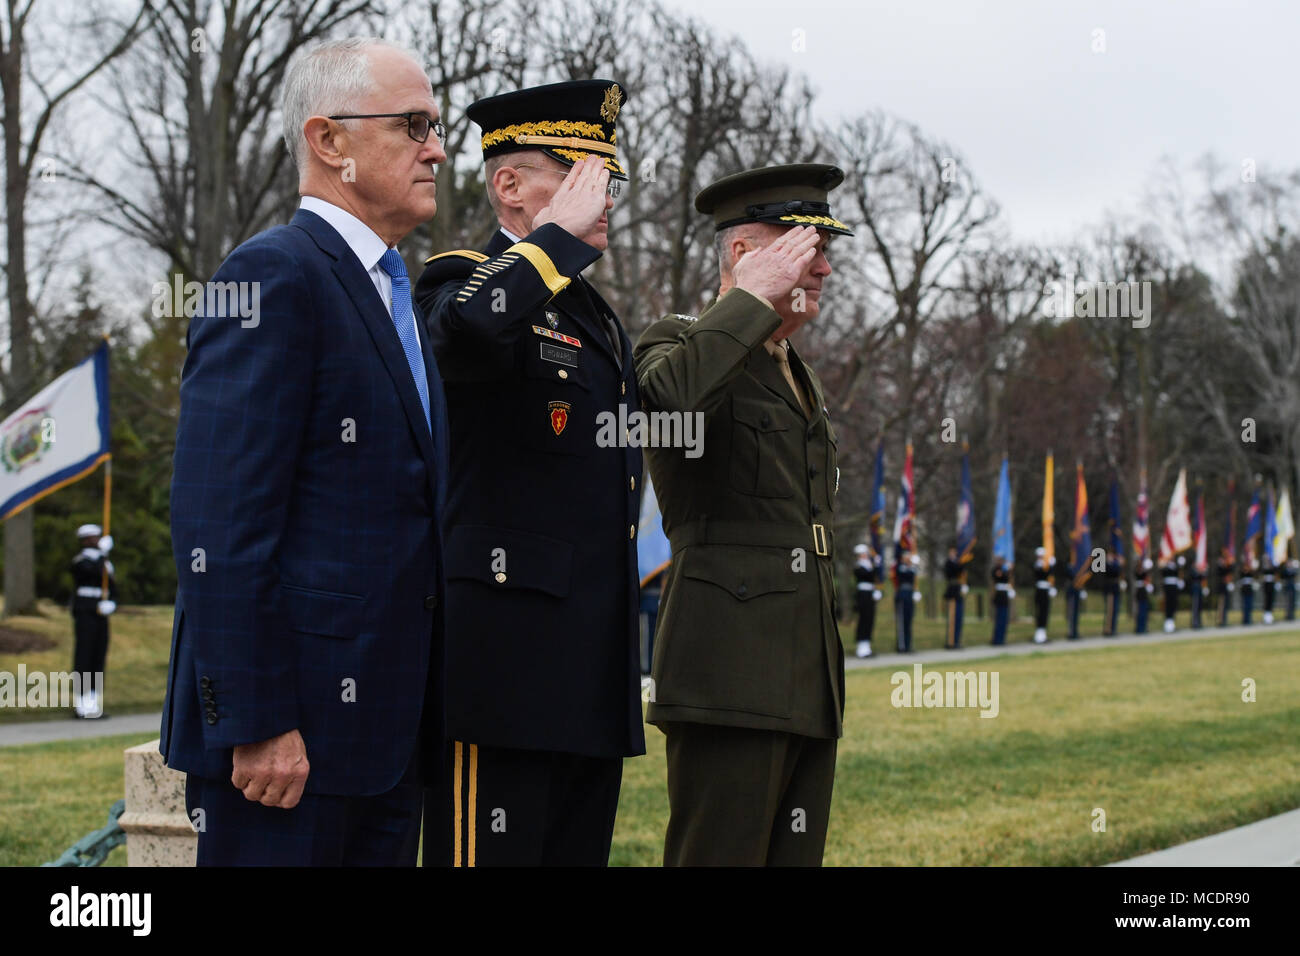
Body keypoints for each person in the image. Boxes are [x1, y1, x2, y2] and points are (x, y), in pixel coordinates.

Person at [161, 37, 449, 866]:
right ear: (329, 142)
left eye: (434, 127)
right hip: (286, 760)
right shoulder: (274, 277)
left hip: (384, 746)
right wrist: (255, 721)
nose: (435, 147)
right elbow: (218, 522)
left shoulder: (393, 293)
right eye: (413, 124)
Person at [413, 80, 645, 866]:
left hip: (587, 665)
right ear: (510, 185)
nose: (603, 195)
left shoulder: (590, 310)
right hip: (503, 667)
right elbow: (469, 335)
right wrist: (554, 245)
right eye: (580, 174)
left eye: (608, 178)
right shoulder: (461, 275)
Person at [633, 163, 851, 866]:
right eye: (803, 248)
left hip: (802, 669)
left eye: (825, 250)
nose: (823, 268)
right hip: (726, 669)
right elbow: (671, 408)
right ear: (742, 254)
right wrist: (748, 303)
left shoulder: (794, 367)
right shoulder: (677, 340)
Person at [69, 524, 116, 718]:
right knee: (84, 655)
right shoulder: (81, 561)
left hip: (101, 612)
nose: (96, 540)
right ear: (85, 540)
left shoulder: (104, 562)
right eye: (93, 537)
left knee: (98, 655)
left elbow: (111, 584)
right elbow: (91, 573)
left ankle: (93, 702)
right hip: (85, 612)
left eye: (98, 537)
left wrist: (113, 602)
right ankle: (81, 703)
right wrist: (103, 555)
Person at [853, 543, 883, 659]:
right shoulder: (859, 567)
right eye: (863, 554)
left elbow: (873, 577)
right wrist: (876, 564)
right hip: (863, 595)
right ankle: (861, 648)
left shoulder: (868, 565)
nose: (865, 555)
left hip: (869, 593)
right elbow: (868, 575)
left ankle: (867, 646)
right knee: (864, 620)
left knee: (869, 619)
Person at [895, 550, 920, 653]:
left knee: (909, 620)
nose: (909, 558)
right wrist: (913, 567)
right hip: (903, 594)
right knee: (902, 621)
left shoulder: (912, 568)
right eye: (907, 556)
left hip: (910, 594)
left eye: (910, 556)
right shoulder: (901, 567)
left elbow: (914, 579)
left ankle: (908, 644)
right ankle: (902, 646)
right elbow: (905, 576)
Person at [942, 545, 967, 649]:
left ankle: (956, 640)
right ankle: (950, 641)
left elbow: (962, 571)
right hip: (952, 591)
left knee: (959, 618)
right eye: (951, 552)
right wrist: (960, 561)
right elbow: (953, 570)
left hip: (958, 590)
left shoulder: (958, 562)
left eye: (954, 552)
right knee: (952, 618)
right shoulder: (948, 563)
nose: (953, 554)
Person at [1031, 547, 1056, 644]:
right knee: (1041, 613)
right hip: (1040, 591)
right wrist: (1051, 566)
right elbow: (1044, 574)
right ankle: (1039, 635)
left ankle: (1042, 634)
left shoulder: (1043, 565)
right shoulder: (1038, 565)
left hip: (1045, 590)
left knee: (1045, 613)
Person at [990, 556, 1013, 645]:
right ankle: (997, 639)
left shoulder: (1005, 569)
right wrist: (1006, 570)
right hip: (999, 596)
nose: (1001, 562)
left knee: (1004, 619)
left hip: (1004, 596)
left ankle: (1002, 638)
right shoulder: (996, 569)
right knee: (999, 619)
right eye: (1000, 560)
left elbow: (1008, 579)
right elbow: (999, 577)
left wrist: (1009, 570)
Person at [1101, 550, 1124, 636]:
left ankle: (1113, 628)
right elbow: (1113, 571)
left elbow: (1118, 572)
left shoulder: (1113, 564)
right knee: (1109, 610)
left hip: (1115, 589)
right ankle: (1108, 629)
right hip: (1110, 590)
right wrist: (1119, 564)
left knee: (1115, 610)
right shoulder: (1105, 564)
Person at [1160, 556, 1183, 633]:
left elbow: (1178, 575)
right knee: (1168, 605)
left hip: (1174, 587)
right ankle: (1167, 624)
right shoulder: (1165, 567)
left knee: (1173, 604)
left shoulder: (1176, 567)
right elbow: (1163, 573)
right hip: (1168, 587)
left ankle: (1172, 623)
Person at [1135, 558, 1155, 634]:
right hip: (1140, 592)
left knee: (1145, 611)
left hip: (1144, 592)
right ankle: (1139, 628)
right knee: (1140, 611)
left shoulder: (1145, 572)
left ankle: (1144, 627)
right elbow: (1139, 574)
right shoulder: (1139, 571)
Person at [1215, 554, 1234, 627]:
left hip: (1226, 587)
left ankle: (1224, 619)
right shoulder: (1220, 566)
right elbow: (1222, 572)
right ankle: (1220, 620)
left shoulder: (1227, 565)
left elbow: (1229, 571)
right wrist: (1227, 564)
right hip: (1221, 588)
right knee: (1221, 604)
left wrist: (1231, 564)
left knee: (1226, 604)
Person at [1188, 560, 1208, 629]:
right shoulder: (1192, 569)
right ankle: (1195, 622)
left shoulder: (1200, 570)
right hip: (1195, 588)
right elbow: (1194, 576)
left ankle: (1199, 621)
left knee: (1200, 606)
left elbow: (1203, 577)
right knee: (1195, 606)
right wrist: (1200, 571)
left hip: (1200, 587)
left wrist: (1204, 570)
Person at [1260, 555, 1276, 624]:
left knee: (1271, 600)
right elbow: (1261, 576)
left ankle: (1270, 615)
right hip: (1266, 586)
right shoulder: (1263, 568)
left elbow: (1275, 575)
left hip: (1271, 586)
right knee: (1266, 600)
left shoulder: (1272, 567)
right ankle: (1266, 616)